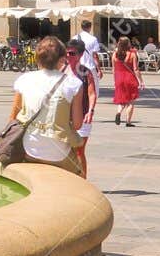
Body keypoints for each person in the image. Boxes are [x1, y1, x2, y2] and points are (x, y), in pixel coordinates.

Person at [7, 35, 88, 176]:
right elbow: (77, 124)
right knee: (80, 176)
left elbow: (13, 116)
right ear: (62, 59)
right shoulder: (73, 84)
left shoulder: (24, 79)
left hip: (29, 148)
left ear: (38, 58)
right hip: (58, 152)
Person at [65, 38, 98, 175]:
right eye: (66, 53)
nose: (68, 56)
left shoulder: (85, 72)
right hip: (64, 116)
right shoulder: (61, 70)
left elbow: (92, 94)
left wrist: (90, 111)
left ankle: (83, 181)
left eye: (72, 54)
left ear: (80, 55)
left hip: (83, 115)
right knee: (65, 150)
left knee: (79, 150)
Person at [110, 36, 141, 126]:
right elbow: (135, 69)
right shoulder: (132, 54)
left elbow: (113, 69)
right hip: (129, 78)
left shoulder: (115, 54)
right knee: (130, 101)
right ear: (128, 44)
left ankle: (119, 112)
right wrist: (141, 80)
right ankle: (128, 121)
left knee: (121, 100)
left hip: (119, 78)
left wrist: (115, 80)